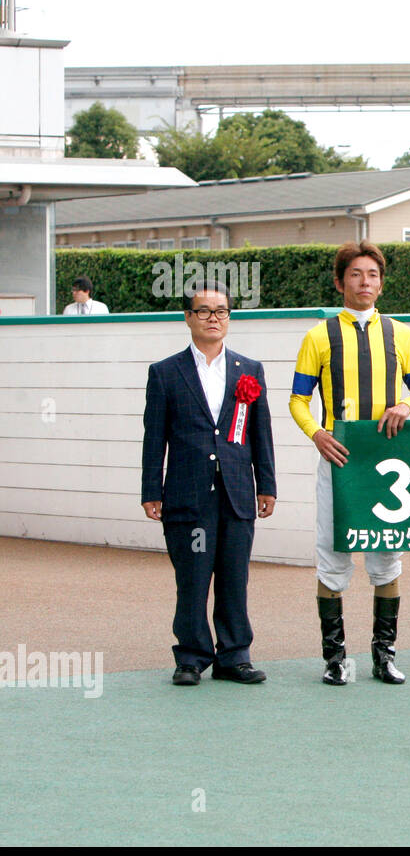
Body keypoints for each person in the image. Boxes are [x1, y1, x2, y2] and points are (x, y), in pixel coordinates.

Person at [289, 241, 410, 686]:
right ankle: (335, 659)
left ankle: (384, 656)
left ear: (381, 283)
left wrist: (407, 406)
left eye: (372, 274)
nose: (364, 282)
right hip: (340, 462)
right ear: (340, 282)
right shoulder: (318, 335)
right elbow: (297, 400)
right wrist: (317, 433)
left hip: (388, 462)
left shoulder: (401, 334)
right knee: (333, 558)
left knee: (387, 558)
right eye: (355, 274)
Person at [142, 281, 276, 685]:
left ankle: (234, 655)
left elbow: (260, 432)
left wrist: (266, 485)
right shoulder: (165, 372)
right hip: (187, 495)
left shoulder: (249, 370)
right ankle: (191, 656)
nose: (213, 318)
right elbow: (154, 436)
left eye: (221, 311)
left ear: (229, 318)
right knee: (193, 578)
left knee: (235, 578)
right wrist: (152, 490)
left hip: (236, 494)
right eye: (203, 310)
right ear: (187, 317)